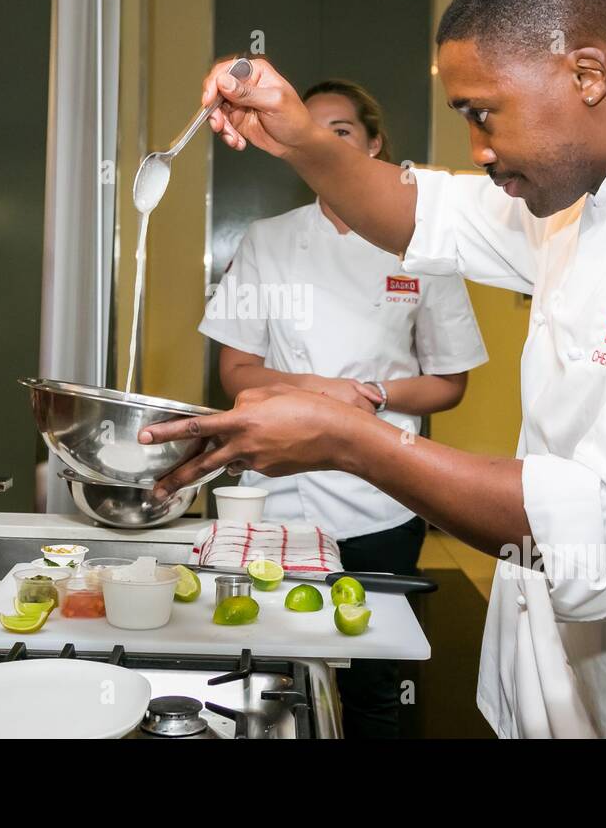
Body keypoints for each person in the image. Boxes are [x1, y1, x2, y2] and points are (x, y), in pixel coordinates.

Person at [142, 0, 606, 738]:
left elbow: (601, 530)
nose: (477, 149)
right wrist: (300, 136)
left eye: (485, 114)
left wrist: (347, 437)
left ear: (587, 74)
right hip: (554, 691)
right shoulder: (588, 190)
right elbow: (421, 212)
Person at [200, 79, 488, 738]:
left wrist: (375, 395)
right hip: (272, 495)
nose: (324, 146)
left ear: (374, 143)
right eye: (310, 130)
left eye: (341, 132)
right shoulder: (268, 240)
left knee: (371, 679)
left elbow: (449, 379)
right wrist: (318, 390)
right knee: (262, 674)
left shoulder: (422, 247)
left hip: (382, 496)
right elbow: (237, 373)